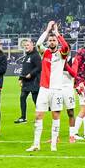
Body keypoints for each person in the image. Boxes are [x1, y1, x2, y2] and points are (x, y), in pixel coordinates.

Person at [27, 21, 74, 153]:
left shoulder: (62, 54)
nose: (52, 42)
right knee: (38, 115)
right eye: (50, 40)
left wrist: (57, 33)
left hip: (57, 90)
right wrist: (47, 30)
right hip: (44, 89)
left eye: (54, 40)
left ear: (57, 42)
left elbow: (66, 47)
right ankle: (36, 144)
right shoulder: (45, 52)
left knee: (56, 116)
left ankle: (53, 144)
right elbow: (37, 44)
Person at [14, 37, 40, 124]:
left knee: (35, 100)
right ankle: (23, 117)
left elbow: (39, 67)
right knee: (22, 98)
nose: (26, 46)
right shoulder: (27, 55)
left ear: (33, 45)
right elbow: (24, 69)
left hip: (34, 81)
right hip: (26, 81)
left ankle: (38, 118)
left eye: (28, 45)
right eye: (25, 45)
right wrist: (20, 79)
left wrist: (31, 74)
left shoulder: (36, 55)